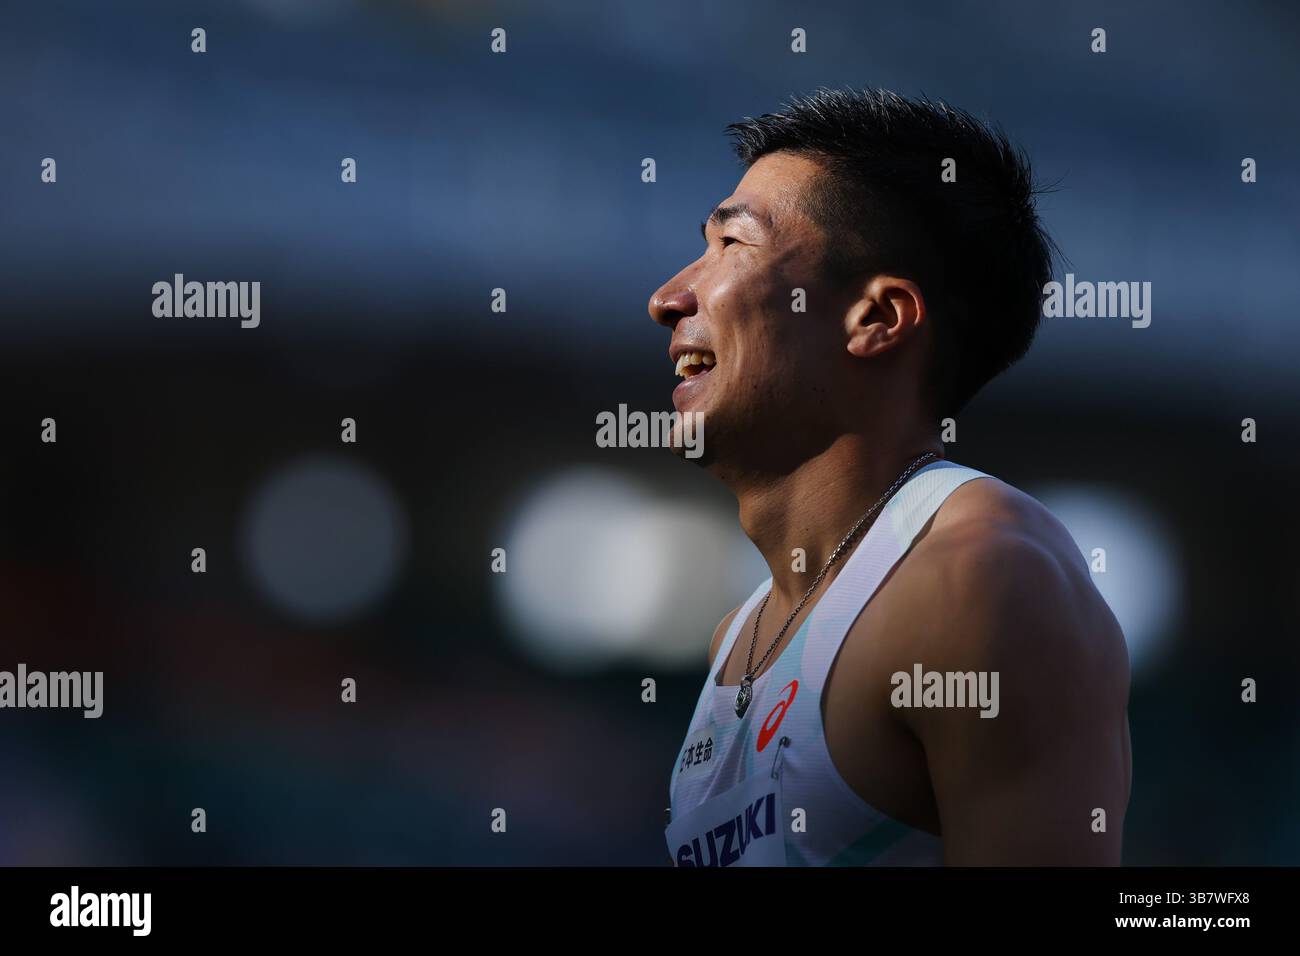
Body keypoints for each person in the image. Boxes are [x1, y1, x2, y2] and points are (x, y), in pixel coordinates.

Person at [651, 88, 1131, 866]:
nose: (668, 299)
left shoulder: (980, 582)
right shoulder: (736, 638)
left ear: (877, 319)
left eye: (731, 243)